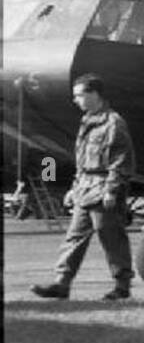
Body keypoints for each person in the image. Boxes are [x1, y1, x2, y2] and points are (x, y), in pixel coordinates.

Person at [32, 74, 136, 301]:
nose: (75, 100)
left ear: (94, 94)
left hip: (103, 188)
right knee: (74, 237)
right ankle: (62, 284)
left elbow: (121, 160)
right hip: (85, 188)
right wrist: (74, 187)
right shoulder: (88, 121)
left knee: (111, 238)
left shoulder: (113, 123)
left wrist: (111, 189)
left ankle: (122, 285)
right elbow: (82, 161)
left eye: (79, 95)